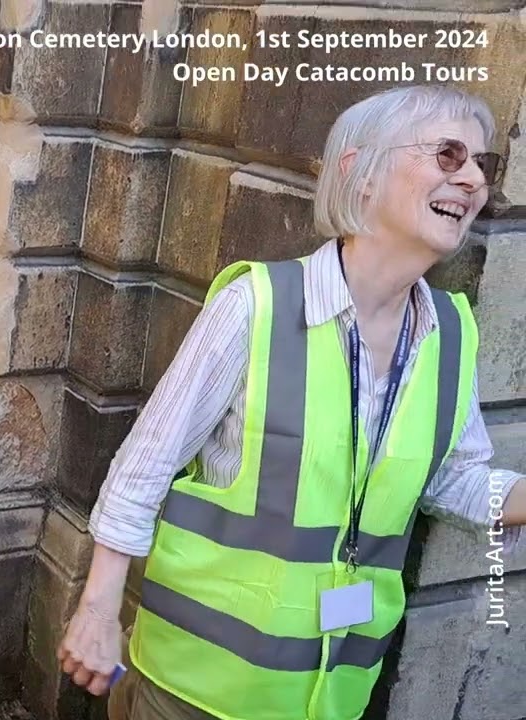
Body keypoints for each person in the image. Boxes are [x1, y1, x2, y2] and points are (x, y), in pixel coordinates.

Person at [57, 84, 526, 720]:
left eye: (483, 163)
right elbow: (144, 465)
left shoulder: (451, 334)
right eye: (447, 155)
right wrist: (96, 611)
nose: (472, 179)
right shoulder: (258, 306)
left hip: (331, 693)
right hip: (199, 688)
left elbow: (459, 482)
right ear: (360, 173)